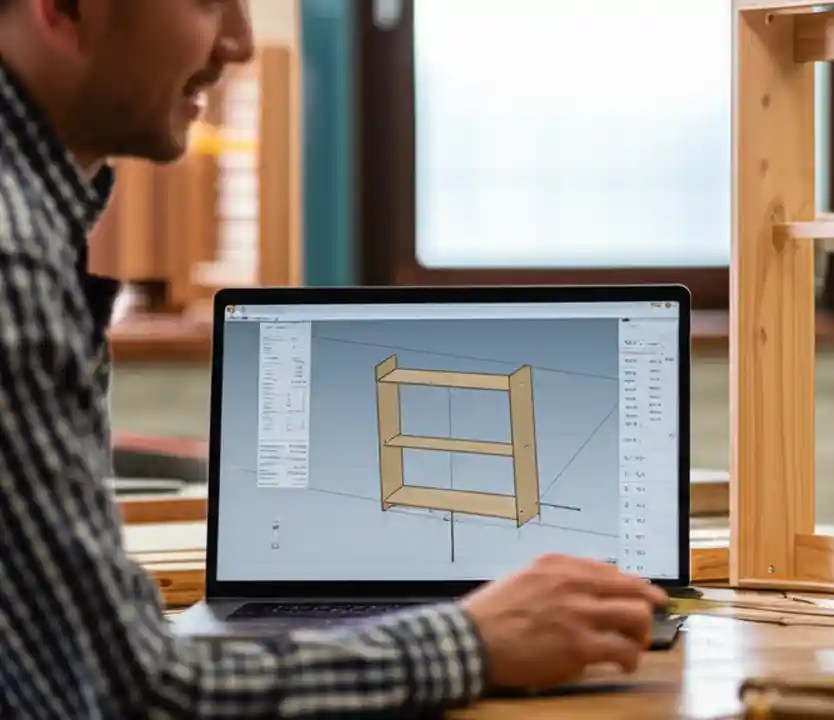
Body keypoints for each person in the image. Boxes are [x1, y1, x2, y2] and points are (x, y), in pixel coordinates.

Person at [0, 1, 668, 717]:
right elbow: (133, 693)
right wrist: (473, 641)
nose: (241, 42)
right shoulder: (16, 263)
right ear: (63, 8)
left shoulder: (38, 227)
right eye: (206, 1)